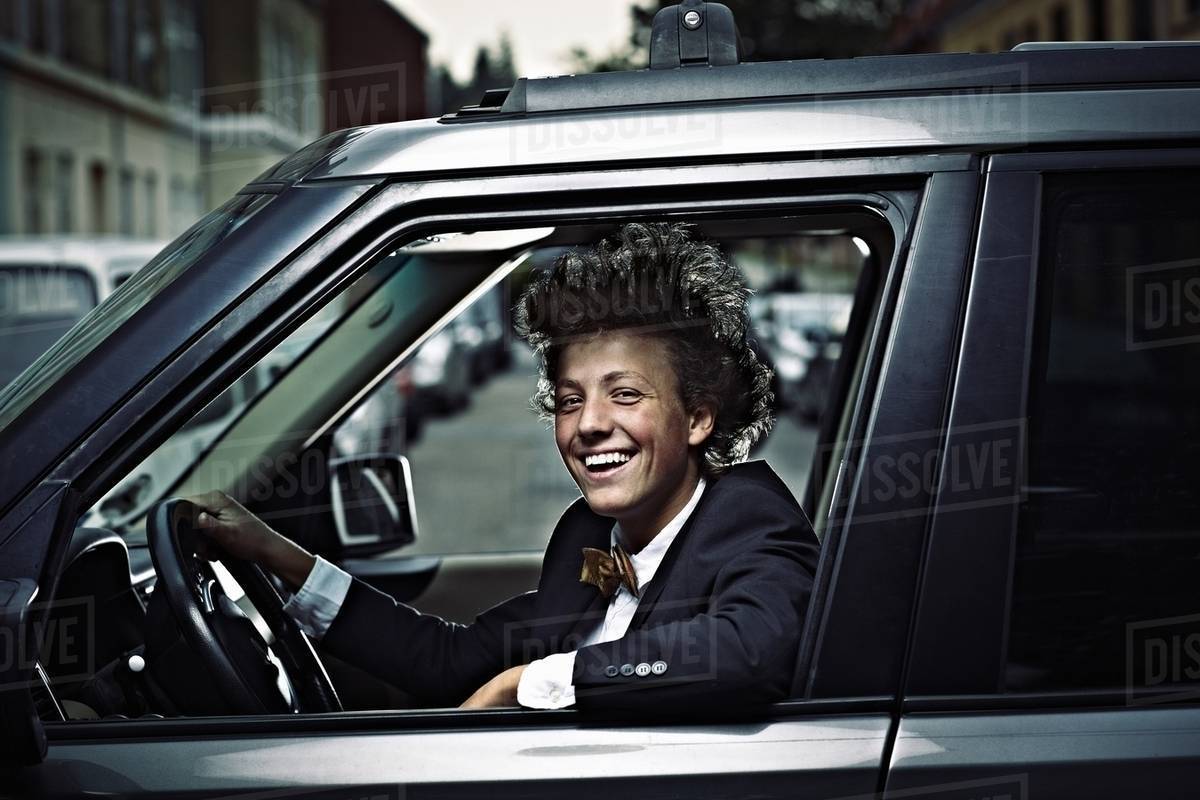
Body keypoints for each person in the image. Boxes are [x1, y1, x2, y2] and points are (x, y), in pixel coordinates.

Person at [189, 222, 820, 713]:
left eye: (625, 394)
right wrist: (273, 552)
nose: (589, 423)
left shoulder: (749, 519)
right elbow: (446, 658)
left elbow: (750, 652)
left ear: (698, 420)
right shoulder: (587, 541)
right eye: (571, 400)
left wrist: (527, 683)